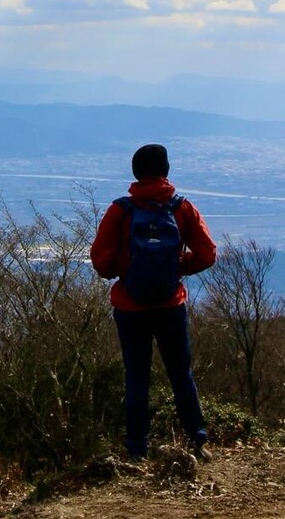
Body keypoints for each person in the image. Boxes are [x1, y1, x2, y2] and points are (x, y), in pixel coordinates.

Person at [90, 142, 217, 461]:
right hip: (171, 304)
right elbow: (207, 253)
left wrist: (127, 269)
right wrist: (176, 268)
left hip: (130, 307)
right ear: (166, 171)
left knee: (136, 377)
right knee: (181, 373)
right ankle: (197, 440)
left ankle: (137, 450)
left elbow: (102, 262)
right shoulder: (181, 208)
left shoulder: (121, 210)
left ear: (135, 173)